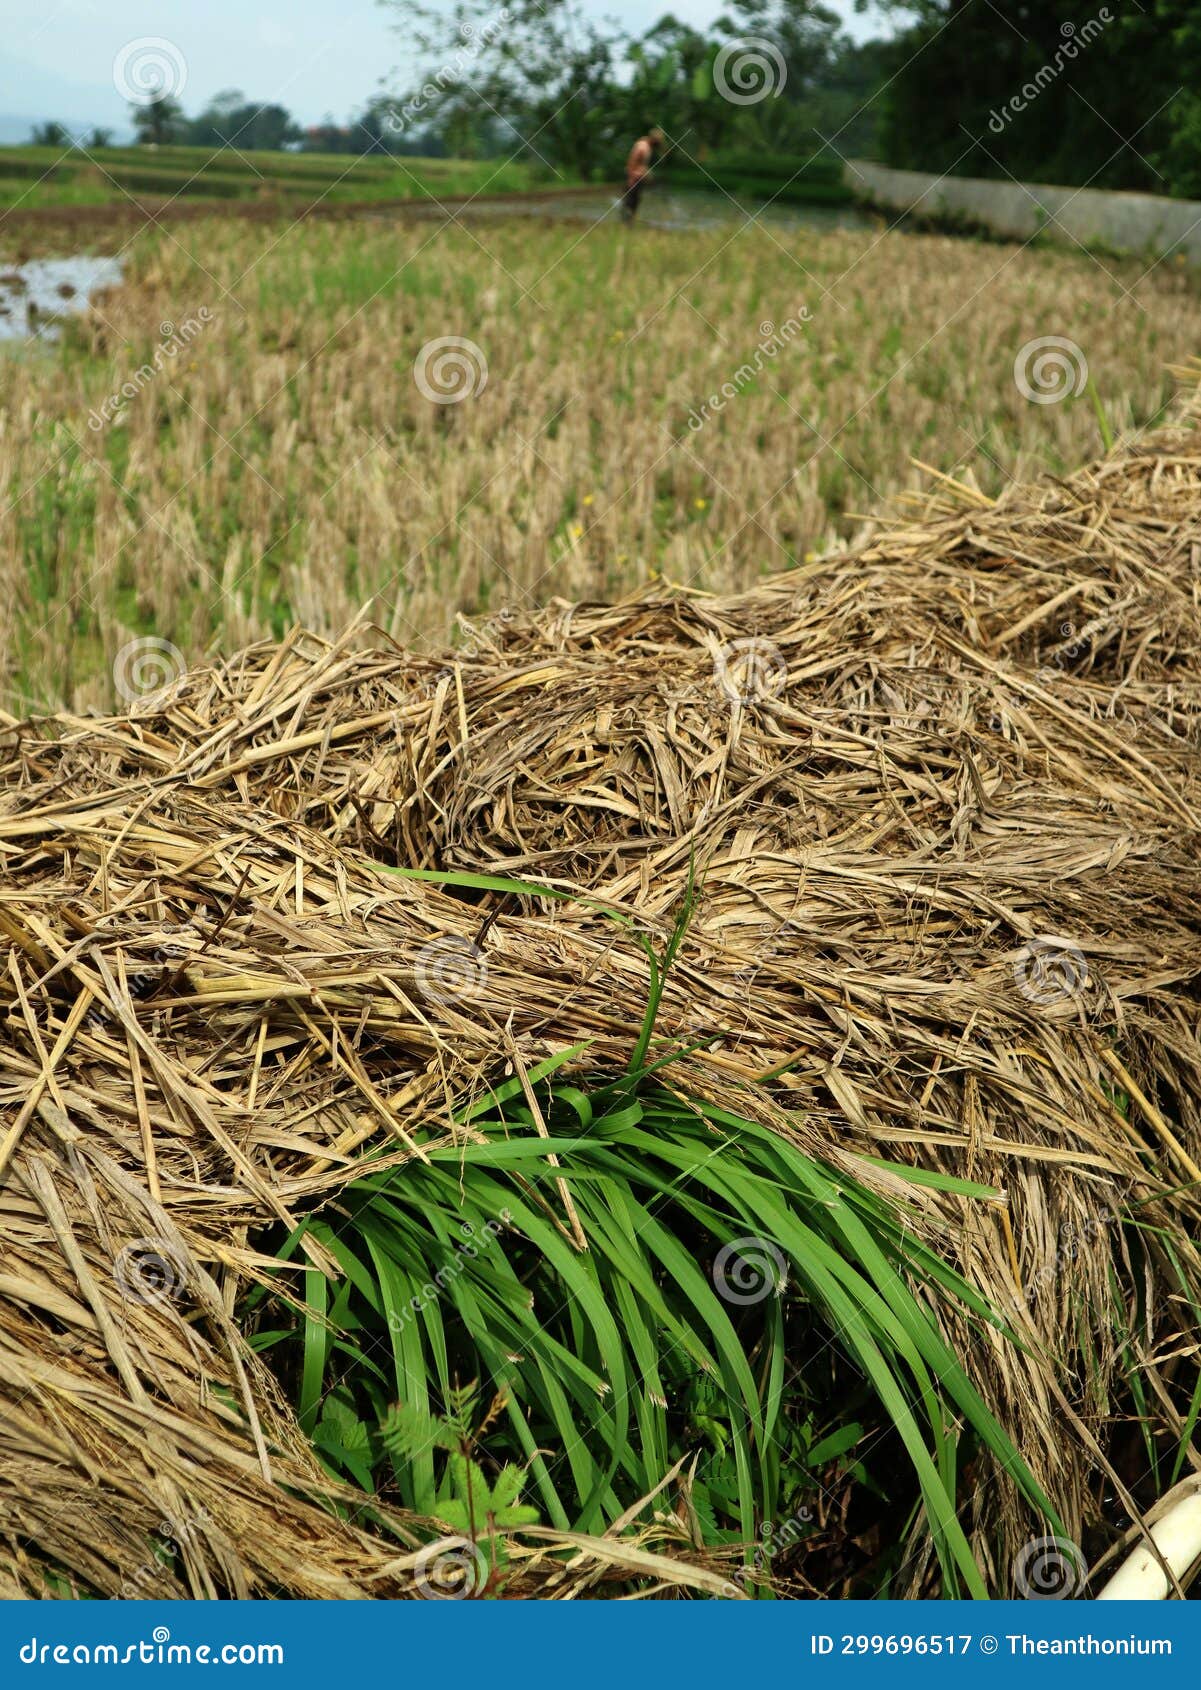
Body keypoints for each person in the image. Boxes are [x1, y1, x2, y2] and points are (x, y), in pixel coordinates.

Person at [622, 127, 664, 222]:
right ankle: (627, 223)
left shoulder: (646, 145)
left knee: (635, 201)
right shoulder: (643, 147)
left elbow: (641, 164)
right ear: (654, 140)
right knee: (630, 202)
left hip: (638, 177)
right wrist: (631, 178)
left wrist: (647, 173)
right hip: (634, 178)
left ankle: (630, 222)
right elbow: (632, 162)